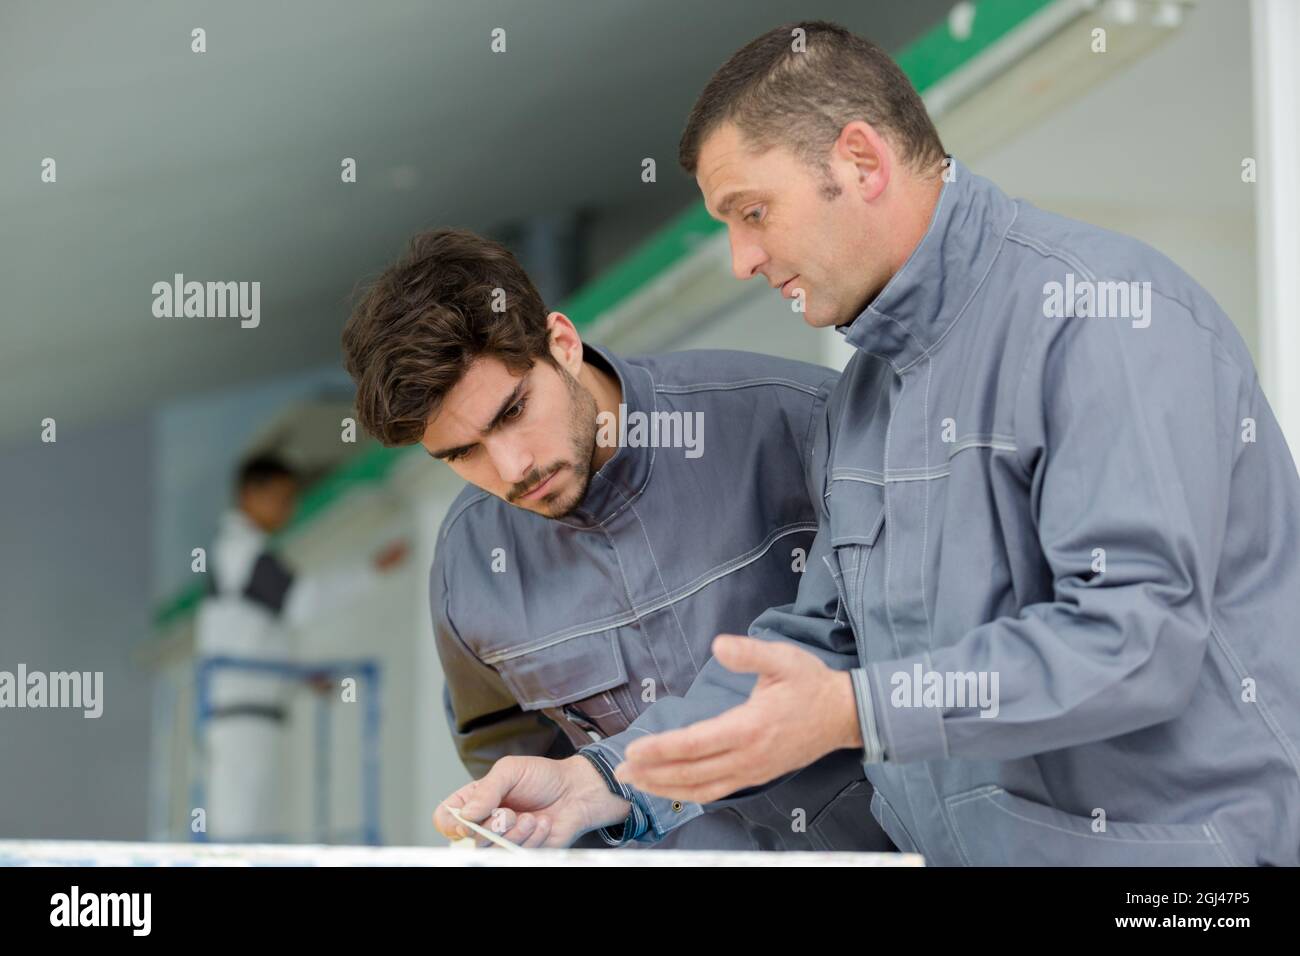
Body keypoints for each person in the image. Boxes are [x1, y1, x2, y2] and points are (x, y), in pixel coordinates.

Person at [434, 21, 1300, 866]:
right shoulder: (864, 403)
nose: (741, 258)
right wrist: (603, 780)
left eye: (752, 212)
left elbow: (1134, 639)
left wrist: (859, 711)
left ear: (860, 161)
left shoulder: (1098, 317)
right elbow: (825, 644)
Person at [342, 227, 890, 851]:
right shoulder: (469, 570)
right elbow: (520, 776)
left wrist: (607, 779)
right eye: (463, 453)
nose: (514, 468)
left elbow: (874, 646)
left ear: (562, 343)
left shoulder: (796, 421)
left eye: (514, 411)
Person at [195, 453, 408, 841]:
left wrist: (297, 677)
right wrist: (371, 570)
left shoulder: (238, 554)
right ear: (248, 495)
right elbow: (303, 603)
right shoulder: (243, 551)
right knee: (237, 836)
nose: (287, 508)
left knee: (248, 831)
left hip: (247, 714)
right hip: (243, 718)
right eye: (279, 498)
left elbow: (254, 638)